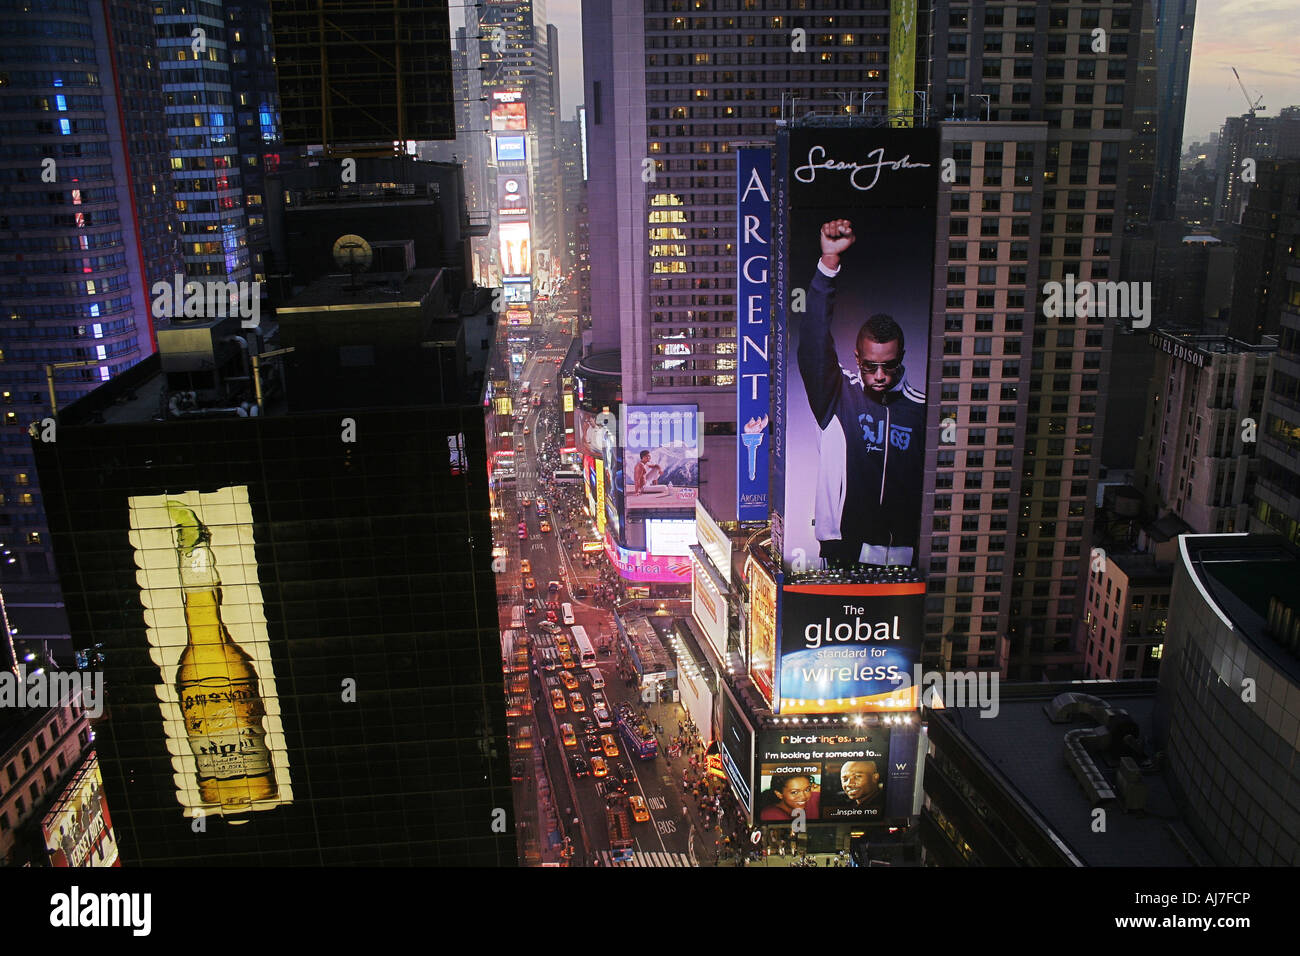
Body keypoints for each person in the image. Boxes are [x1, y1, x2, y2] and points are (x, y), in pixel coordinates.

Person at [797, 219, 926, 568]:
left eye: (889, 366)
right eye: (870, 367)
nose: (880, 376)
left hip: (905, 563)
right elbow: (811, 344)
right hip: (844, 557)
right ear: (857, 359)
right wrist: (827, 267)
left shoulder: (921, 411)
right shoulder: (838, 395)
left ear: (901, 359)